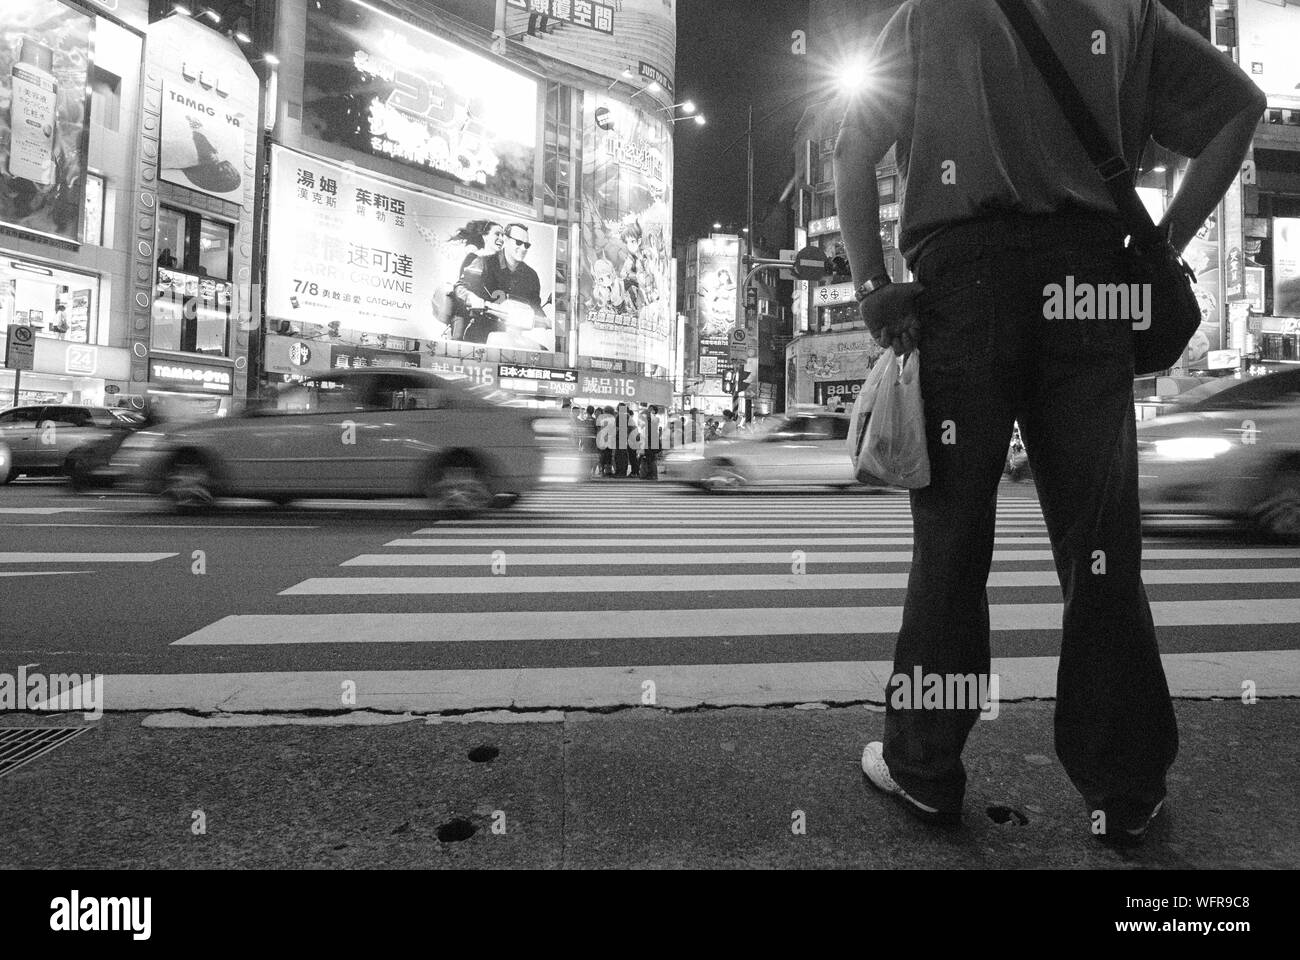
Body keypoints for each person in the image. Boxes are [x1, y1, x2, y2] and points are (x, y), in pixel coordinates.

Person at [834, 0, 1265, 844]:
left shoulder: (929, 11)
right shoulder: (1129, 11)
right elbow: (1238, 107)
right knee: (1101, 549)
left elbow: (854, 148)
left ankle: (925, 766)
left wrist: (871, 285)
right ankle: (1126, 787)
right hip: (1090, 286)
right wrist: (1166, 240)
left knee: (952, 546)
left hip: (962, 288)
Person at [454, 223, 542, 344]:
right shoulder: (484, 263)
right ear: (506, 239)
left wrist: (546, 320)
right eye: (518, 243)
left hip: (513, 336)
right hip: (482, 330)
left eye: (526, 245)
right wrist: (471, 297)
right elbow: (461, 286)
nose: (523, 248)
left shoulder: (531, 276)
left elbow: (536, 307)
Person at [445, 221, 504, 340]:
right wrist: (472, 298)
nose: (501, 239)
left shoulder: (502, 266)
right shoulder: (477, 258)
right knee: (459, 344)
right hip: (467, 313)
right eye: (497, 234)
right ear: (485, 236)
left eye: (503, 236)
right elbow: (461, 285)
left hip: (490, 316)